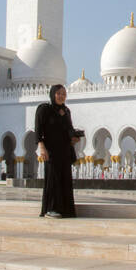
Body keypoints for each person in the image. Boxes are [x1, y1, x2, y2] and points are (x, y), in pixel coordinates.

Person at [35, 83, 80, 218]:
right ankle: (51, 208)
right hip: (51, 151)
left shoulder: (66, 111)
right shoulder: (44, 109)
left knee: (65, 178)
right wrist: (42, 147)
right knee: (53, 178)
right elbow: (38, 130)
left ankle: (65, 209)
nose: (61, 96)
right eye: (59, 93)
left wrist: (74, 138)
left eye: (64, 94)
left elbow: (68, 130)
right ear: (53, 94)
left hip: (65, 150)